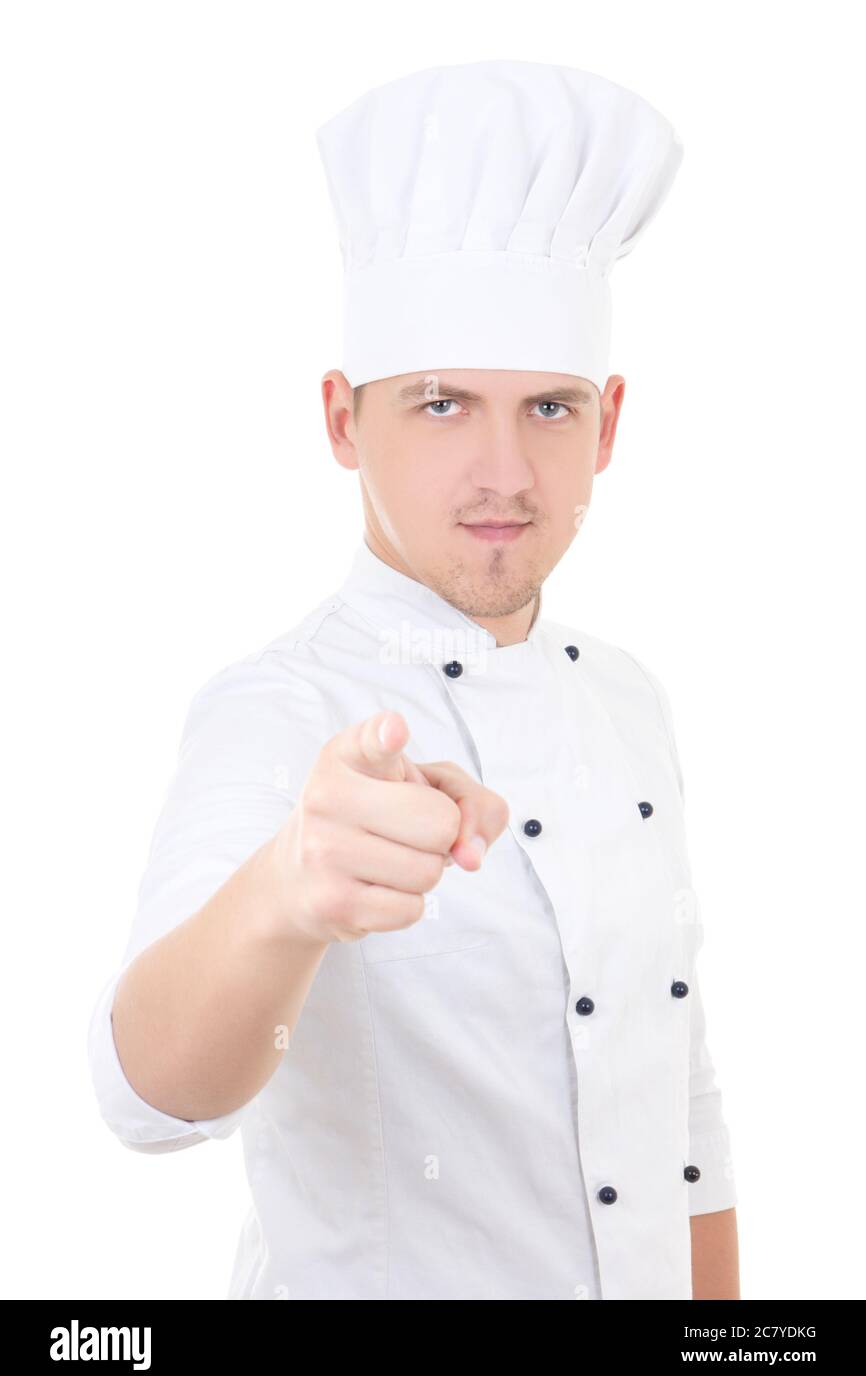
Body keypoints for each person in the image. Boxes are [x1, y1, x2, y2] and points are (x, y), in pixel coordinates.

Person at [87, 59, 739, 1300]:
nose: (503, 472)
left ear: (605, 426)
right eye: (441, 405)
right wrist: (289, 893)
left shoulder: (629, 699)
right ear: (342, 421)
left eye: (547, 410)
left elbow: (681, 1114)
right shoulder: (277, 713)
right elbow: (148, 1096)